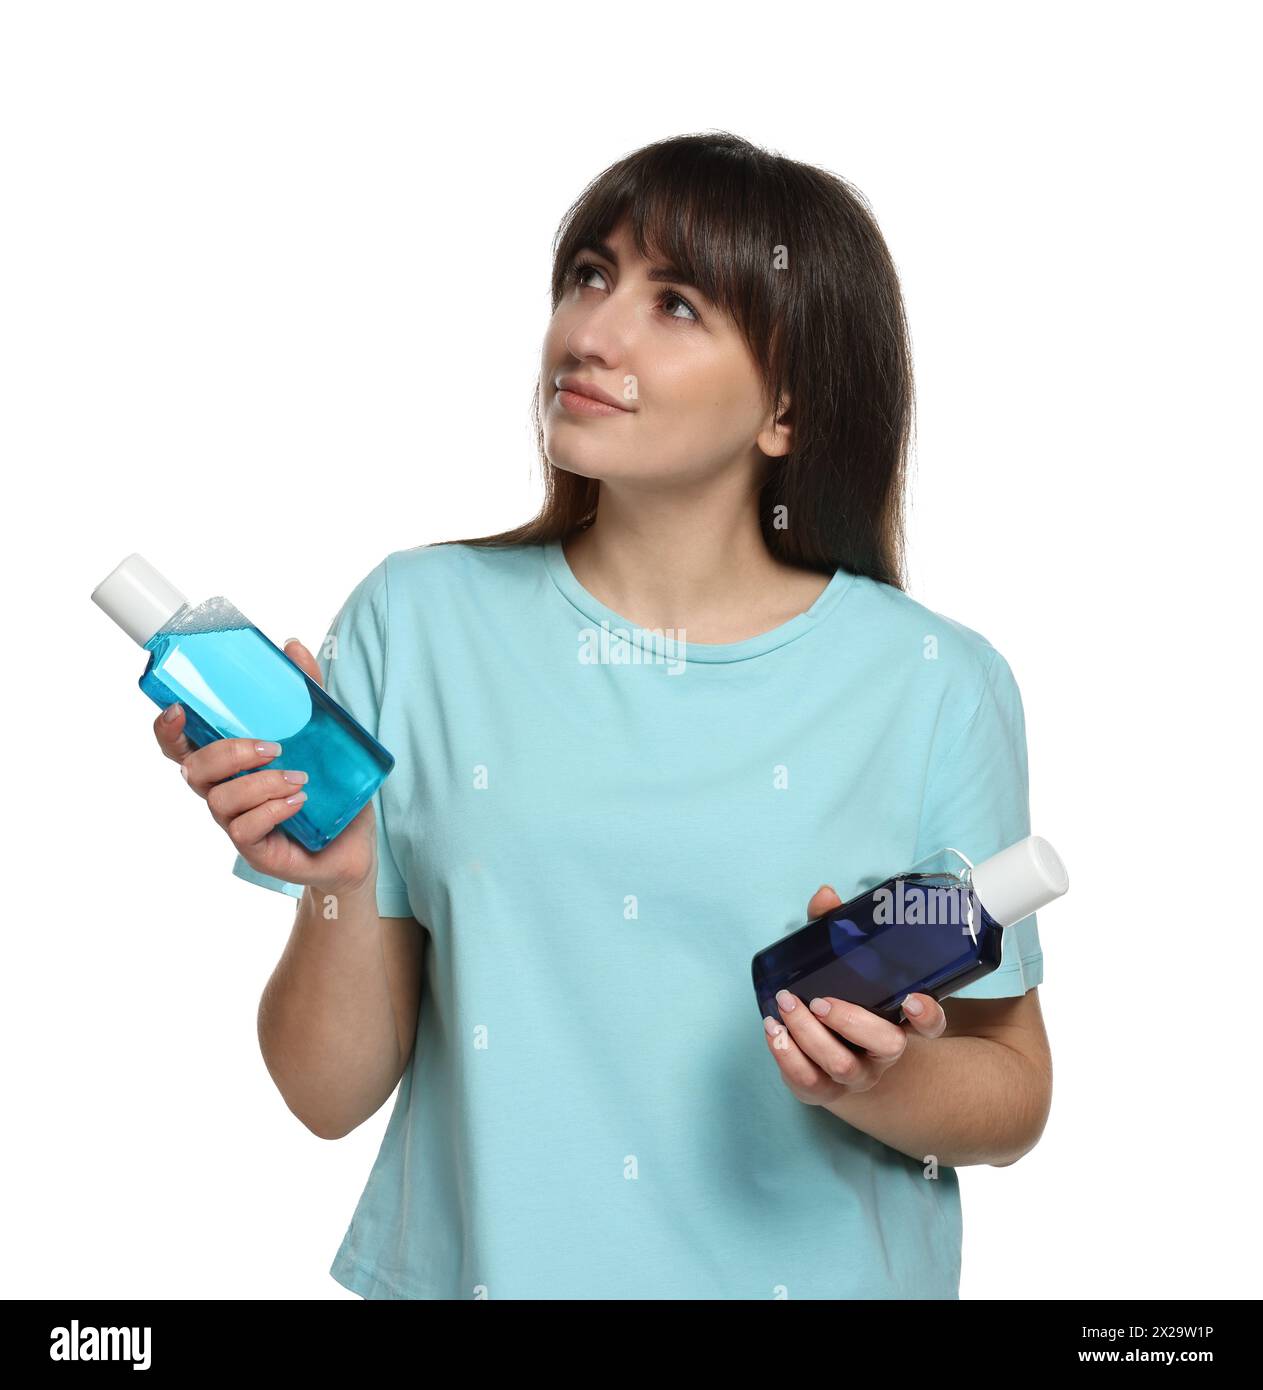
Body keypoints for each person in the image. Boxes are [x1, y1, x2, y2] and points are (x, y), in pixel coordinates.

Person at [156, 131, 1052, 1300]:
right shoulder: (417, 622)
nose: (593, 331)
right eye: (590, 274)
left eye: (674, 302)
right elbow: (325, 1097)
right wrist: (339, 872)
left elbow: (1014, 1090)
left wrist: (875, 1081)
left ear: (786, 407)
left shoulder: (936, 682)